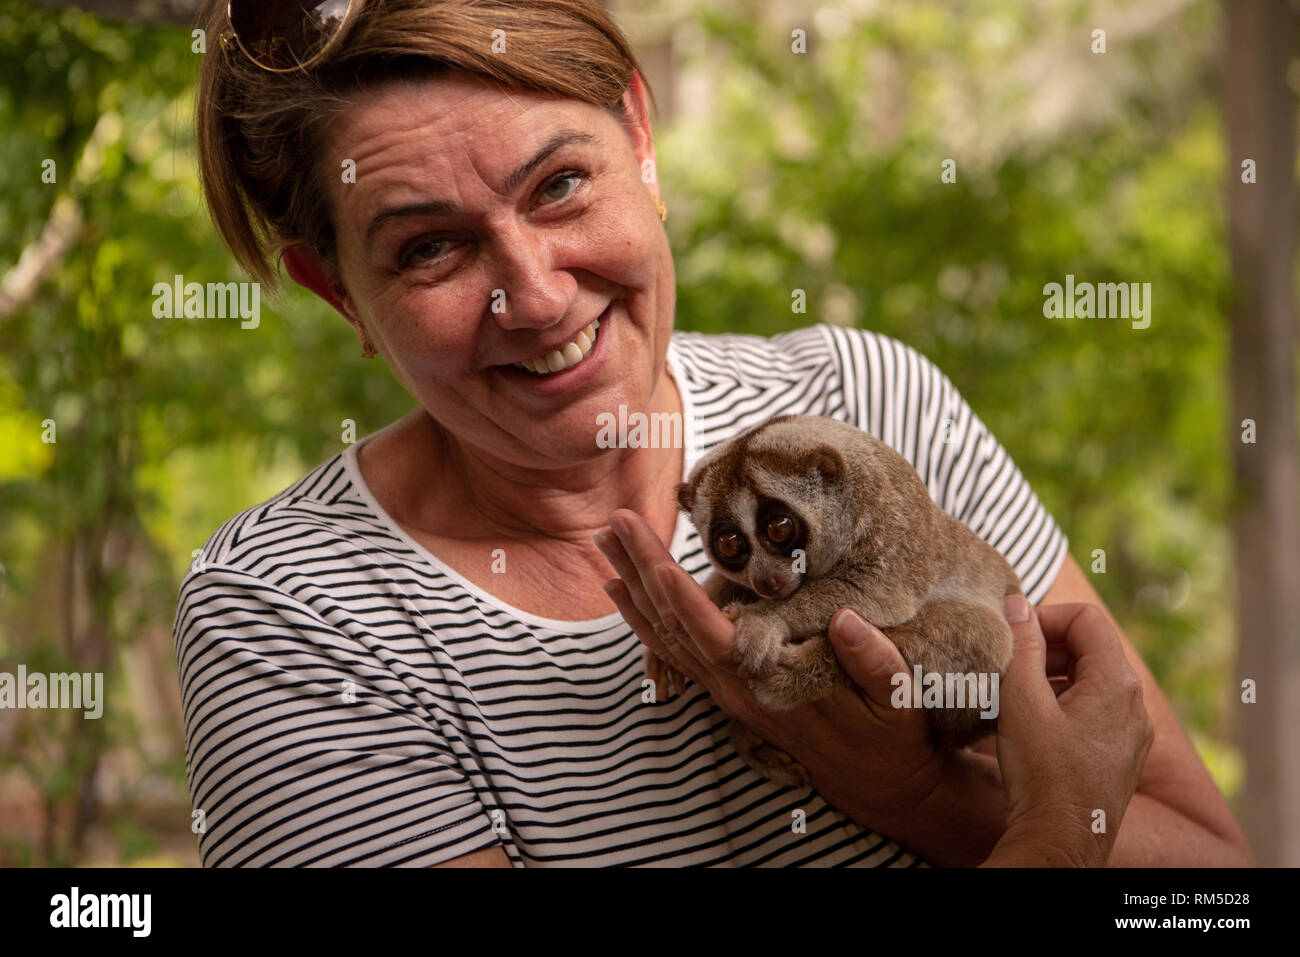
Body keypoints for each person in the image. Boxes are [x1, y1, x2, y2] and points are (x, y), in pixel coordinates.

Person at [174, 0, 1252, 867]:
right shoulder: (295, 616)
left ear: (639, 136)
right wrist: (1055, 837)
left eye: (559, 185)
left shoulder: (864, 398)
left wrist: (918, 794)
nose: (538, 299)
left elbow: (1208, 875)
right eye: (429, 251)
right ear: (337, 295)